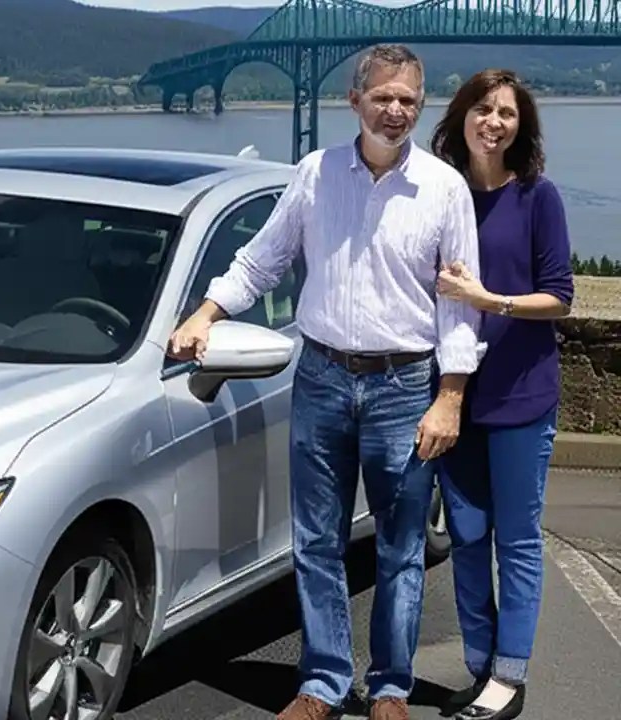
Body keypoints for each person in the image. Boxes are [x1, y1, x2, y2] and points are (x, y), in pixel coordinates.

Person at [169, 43, 484, 720]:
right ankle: (323, 683)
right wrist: (206, 311)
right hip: (321, 378)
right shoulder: (315, 175)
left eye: (407, 100)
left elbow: (459, 305)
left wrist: (450, 397)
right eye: (383, 98)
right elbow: (263, 261)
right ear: (355, 101)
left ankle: (391, 687)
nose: (395, 112)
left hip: (406, 386)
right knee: (316, 542)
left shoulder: (445, 189)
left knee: (400, 549)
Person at [428, 68, 573, 720]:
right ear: (461, 117)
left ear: (522, 126)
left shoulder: (538, 198)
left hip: (521, 396)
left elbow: (560, 296)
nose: (495, 122)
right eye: (483, 109)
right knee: (464, 537)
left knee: (514, 539)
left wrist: (490, 301)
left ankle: (508, 677)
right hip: (453, 395)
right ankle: (481, 667)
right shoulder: (438, 194)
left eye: (507, 113)